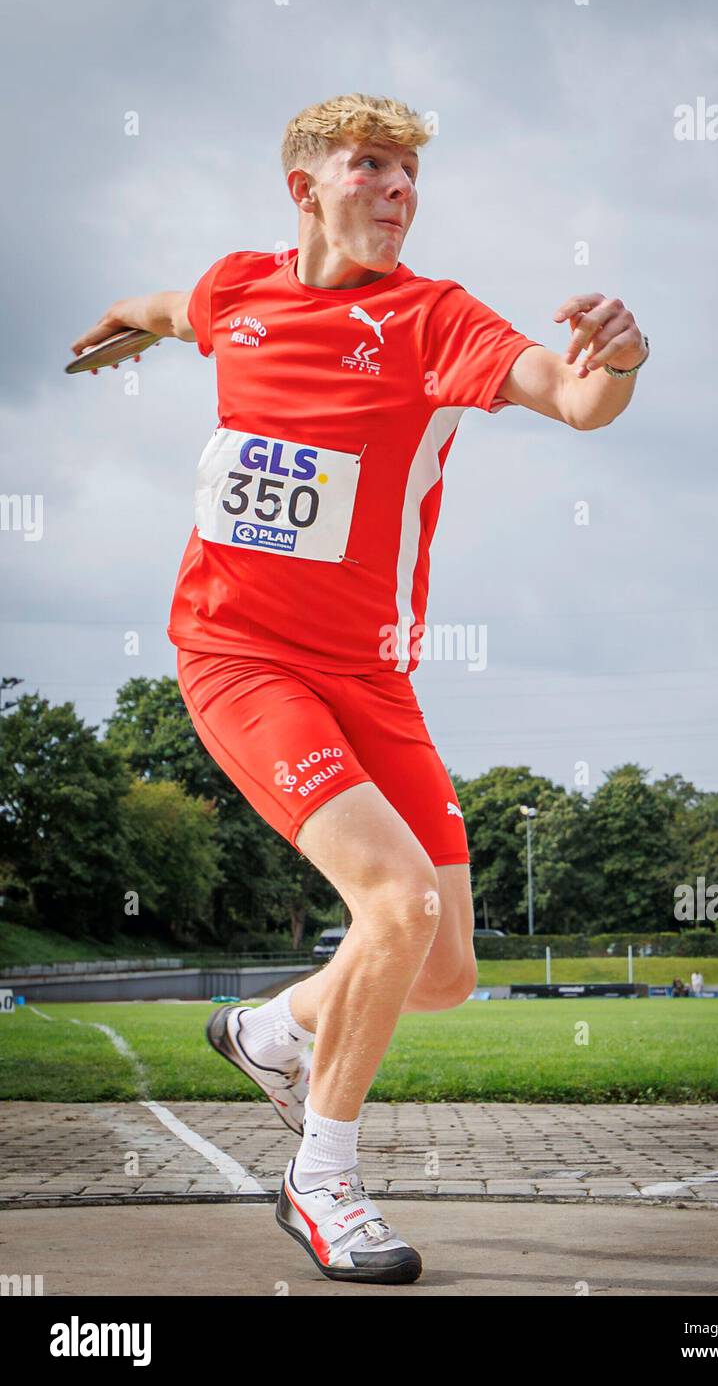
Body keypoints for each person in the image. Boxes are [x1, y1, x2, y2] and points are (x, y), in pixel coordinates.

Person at [69, 92, 648, 1285]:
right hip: (238, 656)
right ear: (305, 187)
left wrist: (622, 361)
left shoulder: (431, 319)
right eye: (370, 166)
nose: (397, 189)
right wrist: (124, 322)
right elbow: (173, 308)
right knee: (393, 905)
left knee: (439, 972)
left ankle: (271, 1030)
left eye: (408, 174)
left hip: (371, 678)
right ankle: (321, 1179)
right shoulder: (240, 290)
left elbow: (575, 399)